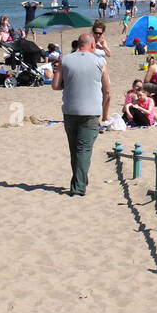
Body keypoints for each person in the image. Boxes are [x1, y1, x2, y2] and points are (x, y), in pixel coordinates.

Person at [52, 32, 111, 197]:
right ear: (92, 45)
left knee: (75, 149)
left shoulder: (65, 59)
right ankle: (78, 187)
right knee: (83, 149)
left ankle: (79, 181)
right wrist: (105, 114)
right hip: (91, 112)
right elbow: (107, 91)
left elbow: (56, 86)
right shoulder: (100, 61)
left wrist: (70, 84)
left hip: (70, 110)